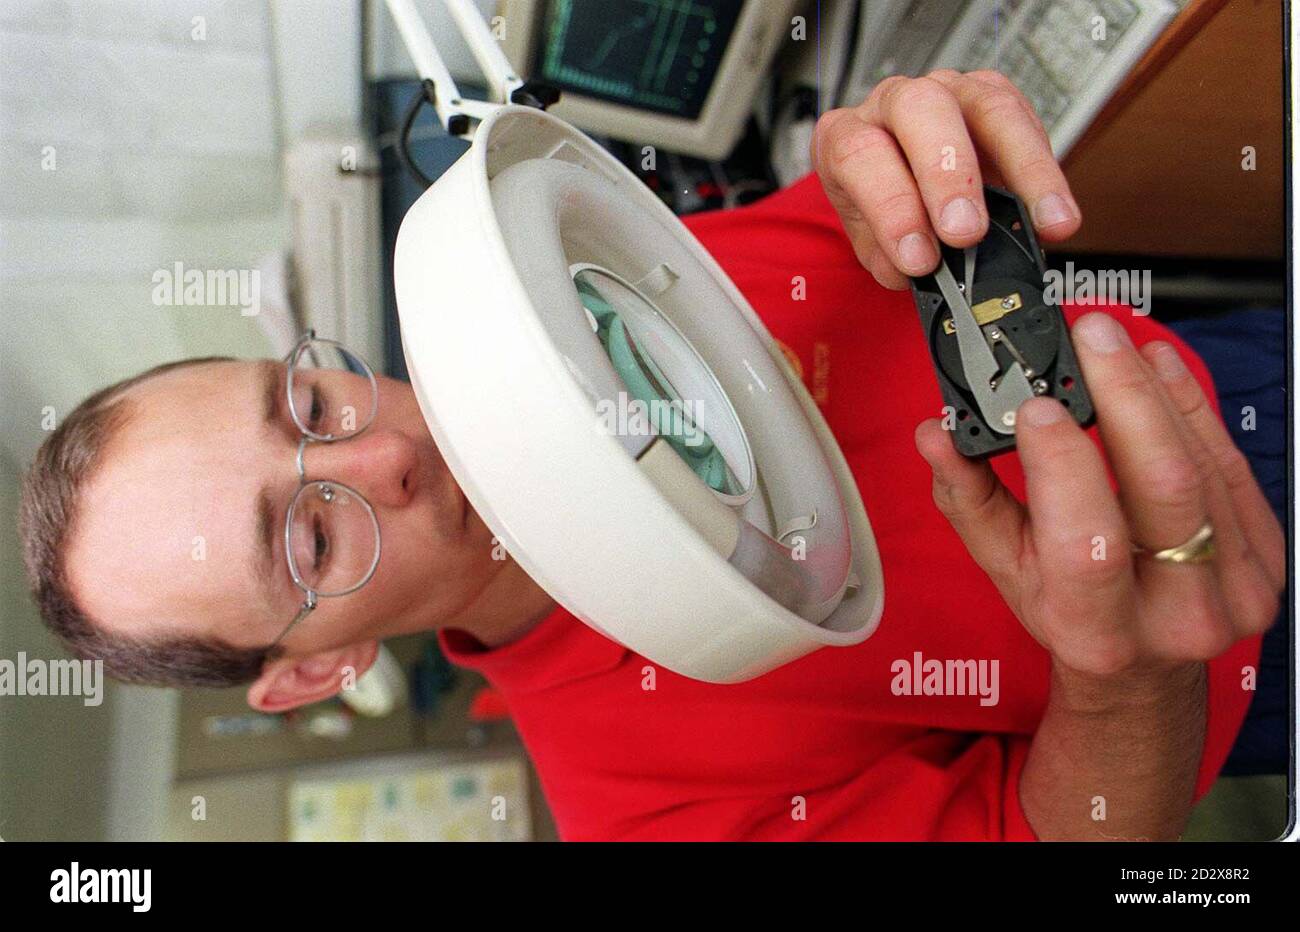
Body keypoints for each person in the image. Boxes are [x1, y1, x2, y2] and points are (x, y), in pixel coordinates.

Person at [19, 71, 1282, 840]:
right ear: (316, 671)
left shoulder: (582, 279)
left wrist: (896, 157)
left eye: (306, 407)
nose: (382, 459)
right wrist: (1126, 678)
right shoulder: (641, 814)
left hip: (1226, 371)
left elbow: (865, 229)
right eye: (312, 534)